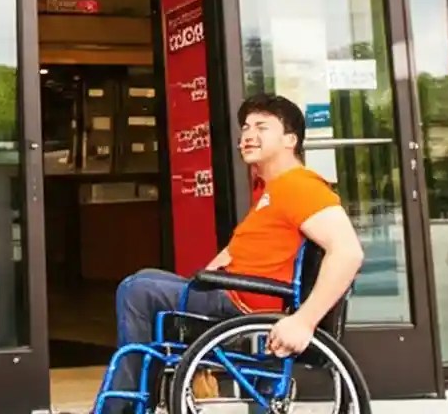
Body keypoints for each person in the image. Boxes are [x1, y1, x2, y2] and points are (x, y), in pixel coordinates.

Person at [104, 93, 364, 407]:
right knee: (148, 279)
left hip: (245, 307)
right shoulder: (271, 190)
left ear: (290, 140)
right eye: (245, 127)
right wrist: (201, 283)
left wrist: (304, 321)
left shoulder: (300, 186)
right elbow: (232, 253)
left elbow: (348, 252)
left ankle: (123, 407)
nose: (248, 135)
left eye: (261, 127)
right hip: (232, 295)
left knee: (138, 290)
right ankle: (137, 399)